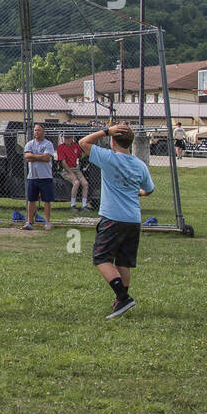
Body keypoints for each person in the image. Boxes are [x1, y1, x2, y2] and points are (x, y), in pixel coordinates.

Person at [79, 122, 154, 318]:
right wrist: (138, 192)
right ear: (131, 143)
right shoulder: (140, 164)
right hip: (133, 219)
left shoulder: (108, 158)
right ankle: (121, 302)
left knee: (101, 258)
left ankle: (123, 297)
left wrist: (105, 131)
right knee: (123, 262)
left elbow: (83, 142)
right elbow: (149, 189)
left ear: (112, 140)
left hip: (113, 218)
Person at [22, 122, 57, 231]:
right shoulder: (30, 144)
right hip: (32, 177)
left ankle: (47, 222)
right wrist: (39, 157)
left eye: (39, 130)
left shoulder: (48, 144)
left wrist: (34, 156)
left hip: (45, 176)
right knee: (31, 199)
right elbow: (27, 157)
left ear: (43, 132)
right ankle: (29, 222)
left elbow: (47, 158)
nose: (36, 132)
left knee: (47, 200)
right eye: (35, 130)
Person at [56, 134, 88, 210]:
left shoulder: (75, 145)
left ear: (72, 138)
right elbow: (63, 163)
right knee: (76, 183)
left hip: (75, 168)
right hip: (66, 169)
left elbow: (80, 156)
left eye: (69, 138)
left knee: (85, 184)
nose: (67, 139)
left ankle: (84, 205)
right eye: (65, 138)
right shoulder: (61, 147)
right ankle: (73, 205)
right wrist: (70, 173)